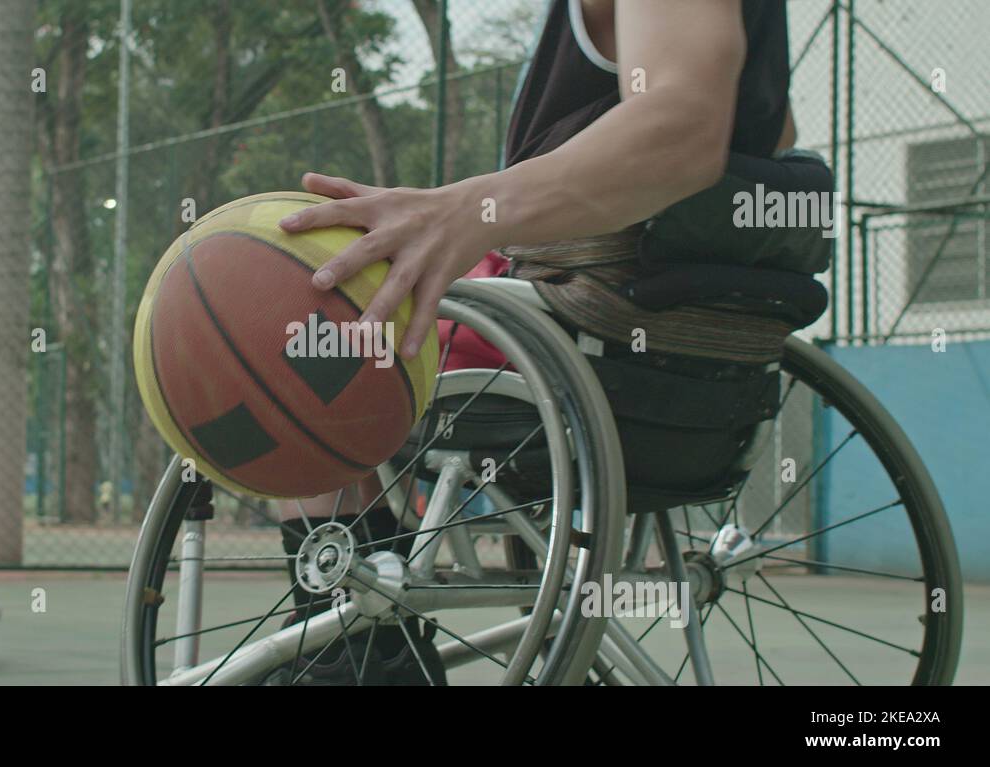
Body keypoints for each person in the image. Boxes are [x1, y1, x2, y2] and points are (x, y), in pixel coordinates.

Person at [272, 0, 805, 684]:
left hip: (578, 353)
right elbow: (771, 142)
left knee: (293, 331)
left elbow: (685, 126)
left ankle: (355, 647)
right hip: (704, 382)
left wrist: (467, 209)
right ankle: (364, 634)